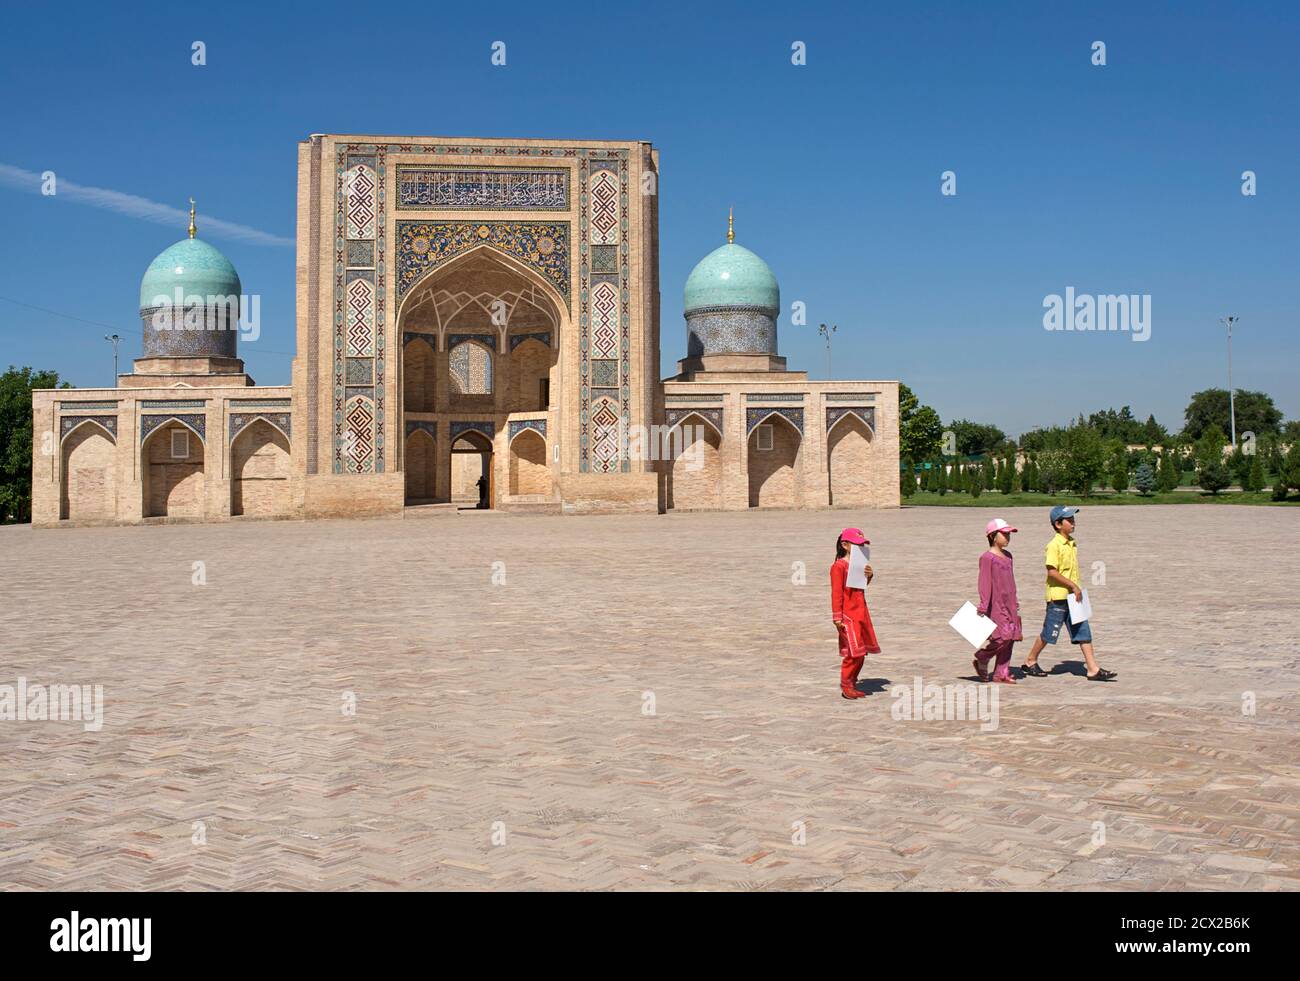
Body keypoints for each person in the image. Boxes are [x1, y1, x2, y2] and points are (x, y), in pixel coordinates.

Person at [1019, 506, 1117, 681]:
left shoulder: (1072, 543)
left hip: (1075, 596)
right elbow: (1052, 572)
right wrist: (1072, 586)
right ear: (1058, 524)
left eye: (1073, 519)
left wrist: (1075, 588)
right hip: (1058, 598)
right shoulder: (1053, 545)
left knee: (1083, 631)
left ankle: (1093, 669)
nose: (1073, 523)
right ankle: (1030, 660)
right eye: (1069, 520)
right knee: (1049, 633)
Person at [830, 528, 881, 699]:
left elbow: (860, 587)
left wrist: (869, 576)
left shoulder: (858, 565)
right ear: (845, 545)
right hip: (847, 616)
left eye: (862, 544)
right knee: (853, 653)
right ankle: (846, 684)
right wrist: (837, 616)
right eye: (857, 544)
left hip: (861, 612)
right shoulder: (839, 566)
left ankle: (852, 680)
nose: (861, 547)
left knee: (861, 651)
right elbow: (837, 592)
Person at [975, 518, 1022, 684]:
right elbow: (984, 583)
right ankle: (982, 657)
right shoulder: (987, 558)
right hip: (995, 605)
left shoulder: (1008, 556)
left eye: (1009, 534)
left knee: (1011, 638)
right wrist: (983, 605)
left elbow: (1011, 580)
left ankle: (1001, 672)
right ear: (993, 536)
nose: (1008, 538)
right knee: (1002, 637)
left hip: (1010, 604)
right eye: (1004, 534)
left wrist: (1014, 601)